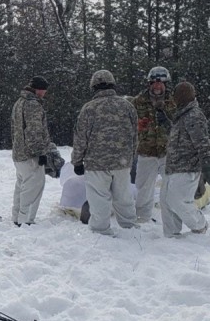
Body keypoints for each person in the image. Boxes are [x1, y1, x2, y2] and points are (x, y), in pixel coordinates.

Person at [70, 70, 138, 236]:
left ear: (93, 87)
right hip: (121, 162)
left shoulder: (88, 109)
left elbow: (81, 138)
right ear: (113, 84)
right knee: (123, 197)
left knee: (99, 199)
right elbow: (135, 135)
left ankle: (101, 230)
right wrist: (130, 157)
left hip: (96, 163)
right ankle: (129, 227)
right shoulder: (127, 106)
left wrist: (77, 161)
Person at [161, 82, 210, 237]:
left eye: (179, 94)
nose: (176, 98)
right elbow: (181, 137)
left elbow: (202, 143)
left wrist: (207, 166)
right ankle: (172, 234)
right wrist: (166, 123)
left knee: (178, 201)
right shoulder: (181, 115)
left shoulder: (194, 115)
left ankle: (200, 225)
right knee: (166, 201)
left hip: (187, 167)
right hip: (173, 167)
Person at [132, 67, 176, 223]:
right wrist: (137, 127)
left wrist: (169, 121)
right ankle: (141, 218)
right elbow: (129, 123)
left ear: (166, 84)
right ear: (149, 83)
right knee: (143, 187)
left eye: (161, 83)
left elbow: (182, 124)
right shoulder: (138, 101)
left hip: (168, 151)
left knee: (171, 186)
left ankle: (172, 219)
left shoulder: (174, 100)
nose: (157, 87)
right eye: (154, 83)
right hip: (146, 151)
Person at [10, 76, 53, 226]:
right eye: (43, 90)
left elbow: (15, 129)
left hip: (19, 153)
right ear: (37, 89)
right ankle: (25, 220)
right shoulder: (33, 105)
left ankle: (16, 217)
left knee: (21, 186)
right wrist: (40, 152)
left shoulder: (19, 103)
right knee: (33, 188)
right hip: (30, 155)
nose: (44, 93)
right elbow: (34, 131)